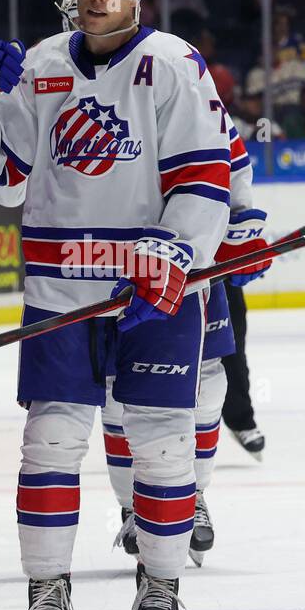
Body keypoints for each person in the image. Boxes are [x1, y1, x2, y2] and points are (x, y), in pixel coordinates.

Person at [0, 0, 230, 610]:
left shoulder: (173, 64)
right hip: (60, 292)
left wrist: (172, 252)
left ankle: (160, 578)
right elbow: (0, 182)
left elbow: (203, 177)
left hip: (154, 293)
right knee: (51, 439)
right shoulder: (41, 64)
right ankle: (47, 584)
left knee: (161, 446)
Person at [104, 110, 272, 566]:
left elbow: (230, 157)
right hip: (114, 258)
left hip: (192, 261)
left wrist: (243, 228)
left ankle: (193, 495)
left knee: (208, 381)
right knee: (118, 385)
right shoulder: (89, 88)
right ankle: (132, 504)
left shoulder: (188, 86)